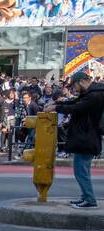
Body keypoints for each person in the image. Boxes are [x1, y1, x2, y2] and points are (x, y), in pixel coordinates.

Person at [45, 71, 104, 209]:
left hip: (87, 137)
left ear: (82, 81)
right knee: (83, 170)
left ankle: (90, 200)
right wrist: (57, 103)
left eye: (75, 86)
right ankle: (85, 196)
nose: (73, 89)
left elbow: (76, 107)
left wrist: (56, 107)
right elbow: (75, 101)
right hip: (86, 137)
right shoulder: (92, 93)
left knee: (80, 171)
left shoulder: (95, 95)